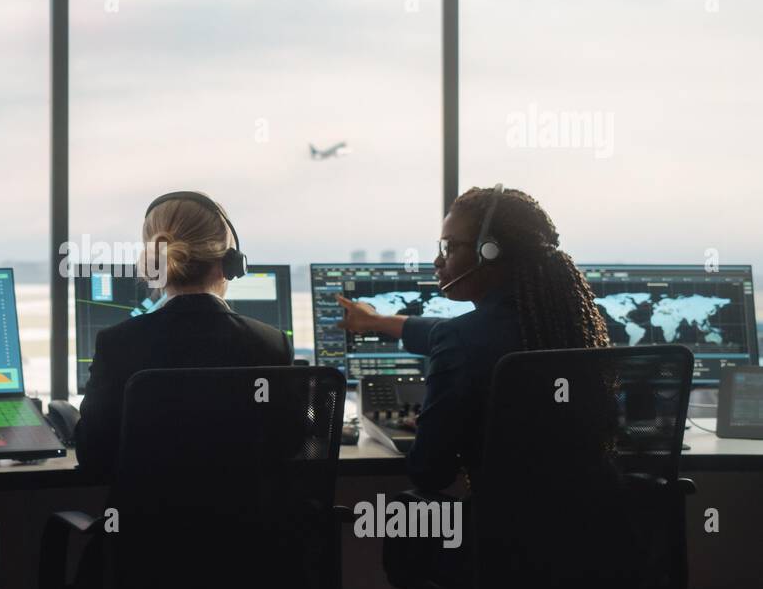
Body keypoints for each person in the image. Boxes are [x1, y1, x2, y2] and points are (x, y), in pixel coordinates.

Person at [336, 185, 610, 492]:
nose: (438, 262)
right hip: (594, 526)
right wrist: (376, 322)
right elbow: (451, 334)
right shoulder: (573, 329)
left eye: (450, 248)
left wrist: (438, 428)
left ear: (488, 253)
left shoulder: (461, 338)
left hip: (505, 533)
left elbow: (429, 472)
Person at [74, 191, 293, 480]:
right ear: (230, 263)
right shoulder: (272, 345)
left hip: (150, 523)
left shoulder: (116, 344)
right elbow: (289, 447)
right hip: (246, 524)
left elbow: (93, 455)